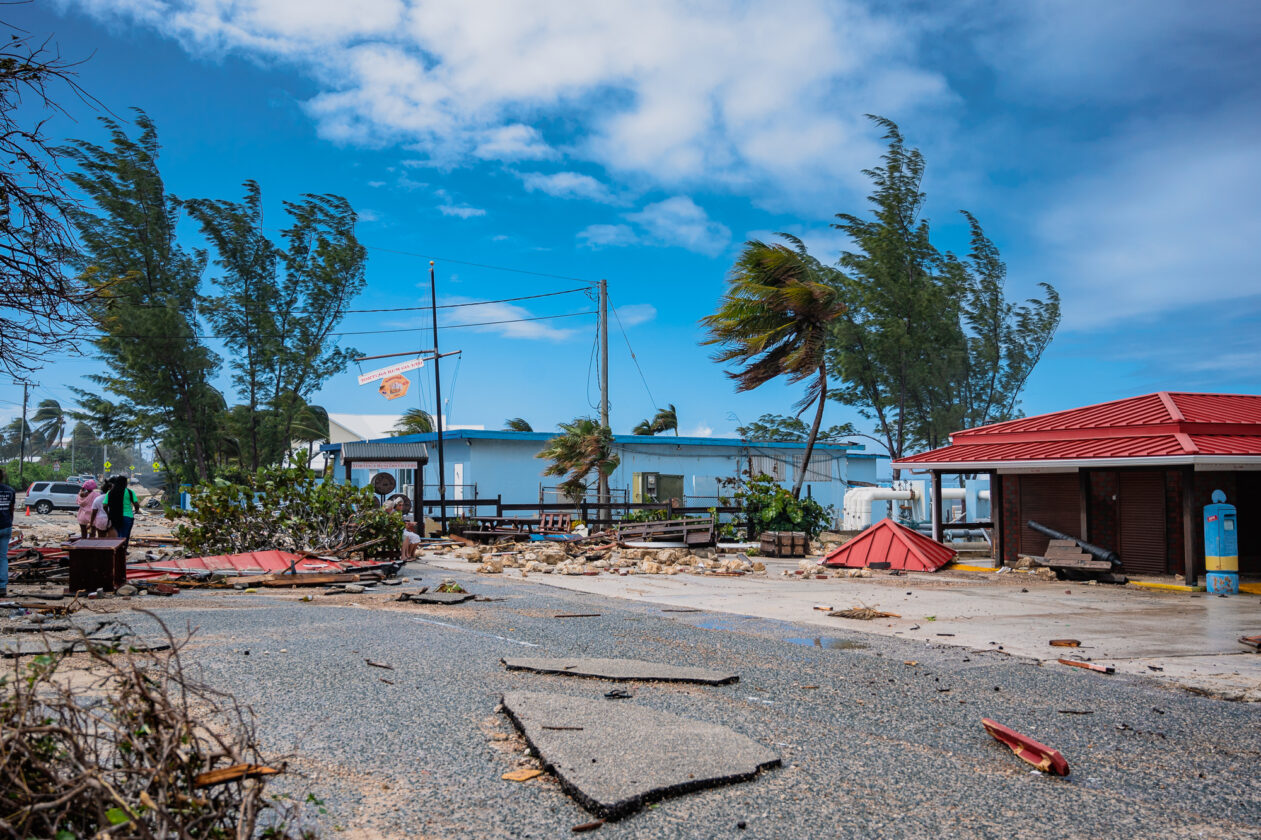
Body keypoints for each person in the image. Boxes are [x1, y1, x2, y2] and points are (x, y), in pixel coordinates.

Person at [104, 475, 138, 547]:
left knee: (117, 535)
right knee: (125, 535)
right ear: (125, 483)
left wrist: (108, 513)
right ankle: (123, 550)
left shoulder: (110, 492)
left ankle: (118, 550)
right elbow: (136, 504)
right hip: (127, 516)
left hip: (114, 516)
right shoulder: (130, 492)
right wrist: (136, 510)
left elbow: (105, 505)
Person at [0, 468, 14, 597]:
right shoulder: (10, 490)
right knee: (3, 557)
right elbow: (11, 510)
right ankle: (2, 586)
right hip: (6, 526)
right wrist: (10, 523)